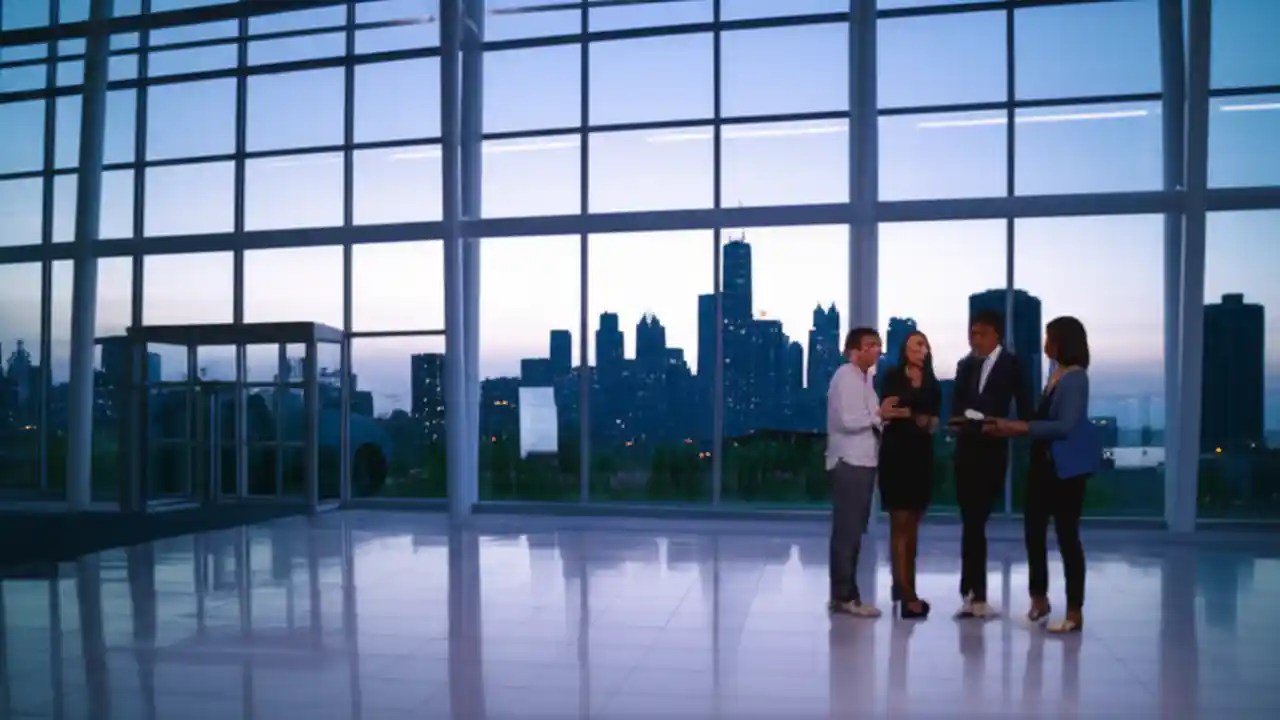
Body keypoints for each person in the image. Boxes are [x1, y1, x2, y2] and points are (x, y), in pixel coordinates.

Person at [988, 316, 1101, 634]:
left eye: (1049, 337)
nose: (1045, 343)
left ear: (1063, 341)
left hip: (1065, 469)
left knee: (1067, 537)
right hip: (1042, 465)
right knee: (1033, 532)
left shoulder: (1076, 378)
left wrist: (1020, 427)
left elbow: (1065, 426)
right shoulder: (1056, 374)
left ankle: (1074, 611)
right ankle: (1039, 601)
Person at [950, 309, 1032, 619]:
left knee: (976, 521)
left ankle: (975, 593)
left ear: (996, 334)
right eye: (972, 333)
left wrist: (997, 422)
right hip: (966, 449)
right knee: (970, 522)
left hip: (993, 451)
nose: (975, 339)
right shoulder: (964, 365)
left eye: (981, 333)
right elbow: (959, 407)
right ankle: (972, 595)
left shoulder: (1013, 365)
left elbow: (1024, 409)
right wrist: (974, 418)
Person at [827, 327, 908, 618]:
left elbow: (874, 419)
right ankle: (845, 596)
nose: (877, 350)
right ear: (855, 349)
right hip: (850, 462)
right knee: (848, 531)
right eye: (871, 345)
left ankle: (843, 594)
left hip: (864, 461)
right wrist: (880, 415)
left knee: (853, 530)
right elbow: (849, 420)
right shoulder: (846, 377)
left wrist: (886, 416)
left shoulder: (865, 380)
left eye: (878, 346)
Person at [877, 330, 941, 619]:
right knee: (899, 522)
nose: (921, 348)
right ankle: (908, 595)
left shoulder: (932, 383)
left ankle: (902, 585)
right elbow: (887, 412)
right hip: (895, 455)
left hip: (921, 457)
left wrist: (917, 417)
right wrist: (916, 417)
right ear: (905, 348)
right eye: (916, 343)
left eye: (925, 344)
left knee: (913, 524)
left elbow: (935, 421)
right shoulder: (892, 376)